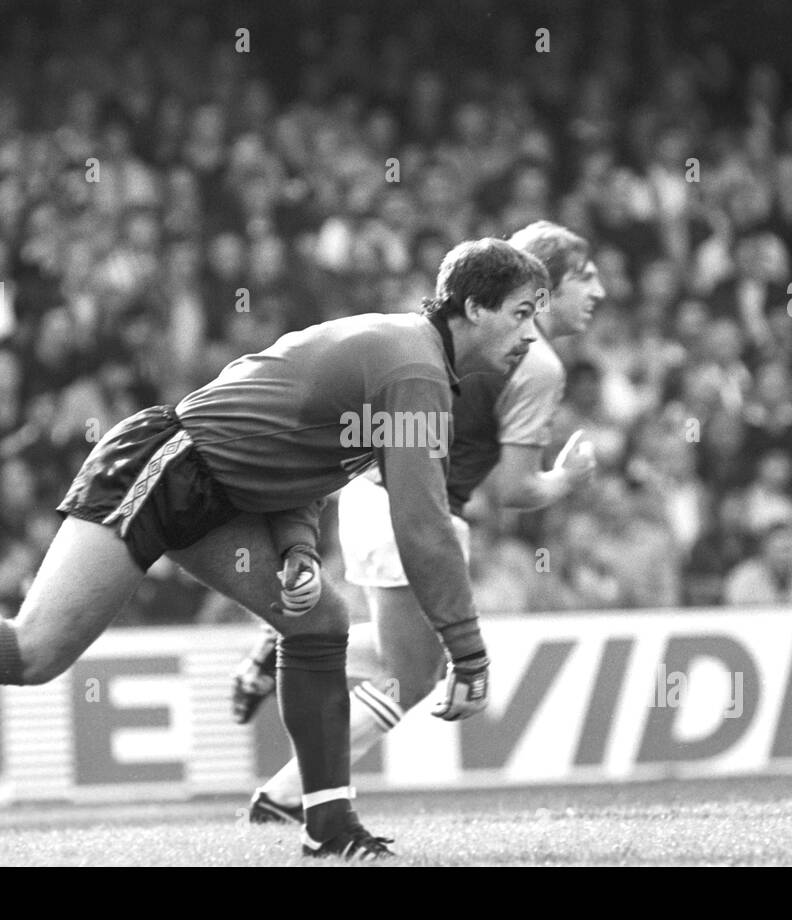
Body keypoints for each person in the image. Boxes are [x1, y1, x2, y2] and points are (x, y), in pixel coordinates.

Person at [0, 237, 547, 862]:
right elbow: (420, 525)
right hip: (169, 467)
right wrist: (468, 653)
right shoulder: (414, 368)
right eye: (520, 312)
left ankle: (327, 824)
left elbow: (299, 443)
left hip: (220, 489)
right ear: (472, 308)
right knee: (35, 651)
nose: (530, 333)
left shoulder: (408, 357)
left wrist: (301, 546)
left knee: (317, 622)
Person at [231, 221, 603, 822]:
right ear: (545, 287)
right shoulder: (540, 368)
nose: (600, 292)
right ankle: (287, 795)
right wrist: (569, 479)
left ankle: (273, 655)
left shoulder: (446, 332)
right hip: (413, 506)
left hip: (366, 491)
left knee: (406, 657)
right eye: (586, 277)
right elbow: (512, 488)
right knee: (413, 674)